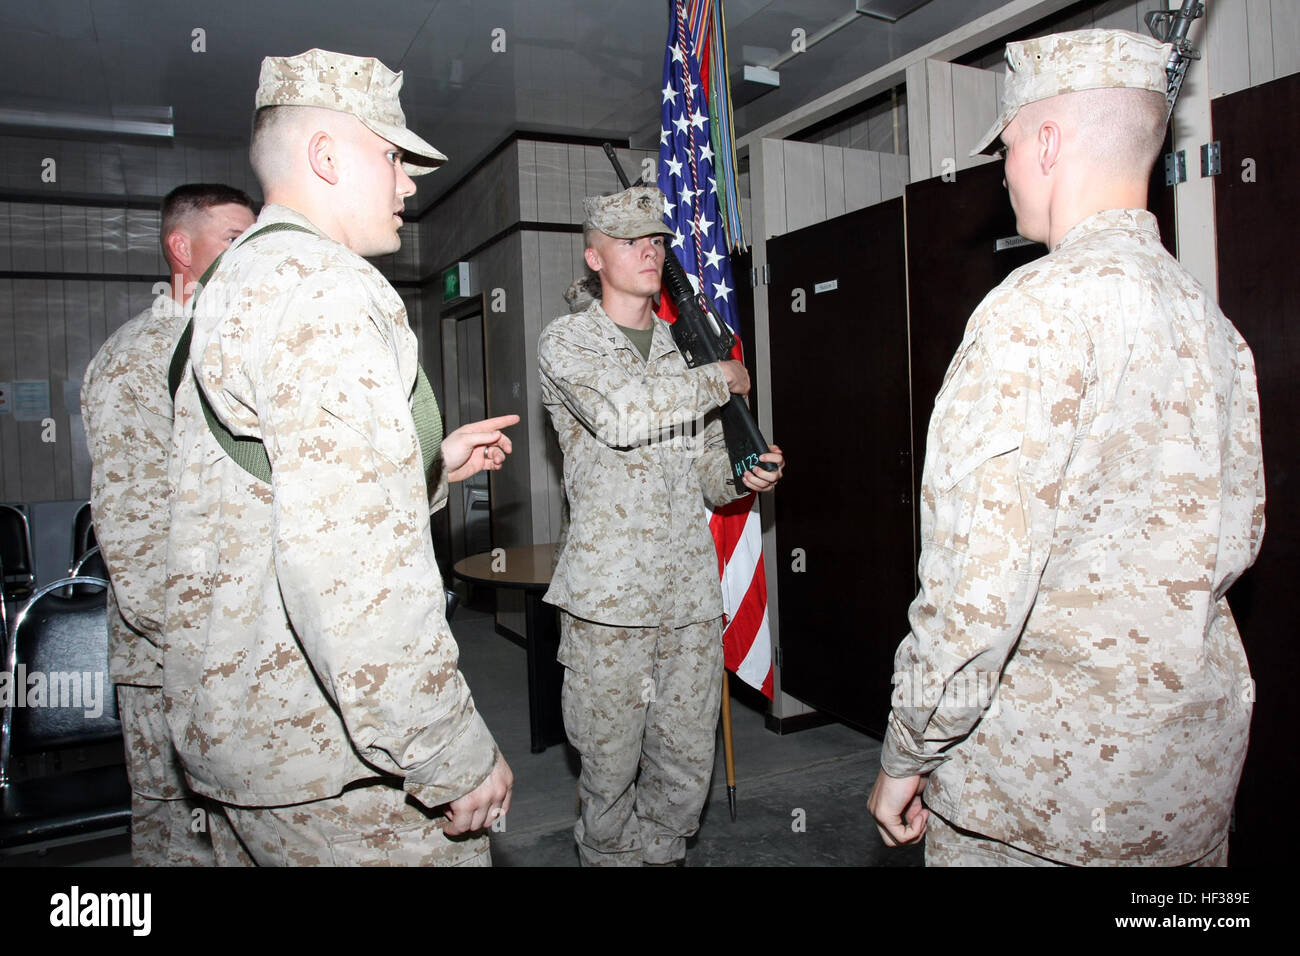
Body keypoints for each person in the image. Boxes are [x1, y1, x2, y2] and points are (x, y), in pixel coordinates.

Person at [867, 29, 1265, 866]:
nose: (1003, 170)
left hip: (1039, 803)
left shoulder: (1031, 314)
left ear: (1046, 141)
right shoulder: (1212, 323)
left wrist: (910, 750)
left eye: (1007, 145)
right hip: (1182, 786)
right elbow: (1233, 546)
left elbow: (976, 594)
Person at [163, 49, 515, 866]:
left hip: (250, 744)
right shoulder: (326, 287)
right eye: (392, 156)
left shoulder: (238, 281)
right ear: (326, 155)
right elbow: (353, 569)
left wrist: (426, 469)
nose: (409, 183)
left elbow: (272, 495)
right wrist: (446, 752)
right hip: (339, 771)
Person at [538, 186, 784, 865]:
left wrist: (744, 474)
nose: (649, 251)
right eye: (629, 241)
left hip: (688, 599)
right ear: (595, 258)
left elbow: (710, 471)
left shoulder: (687, 349)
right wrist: (719, 379)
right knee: (610, 772)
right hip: (608, 603)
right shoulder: (569, 341)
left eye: (657, 241)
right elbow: (620, 415)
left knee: (682, 770)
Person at [82, 183, 256, 866]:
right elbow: (137, 541)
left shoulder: (236, 352)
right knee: (181, 835)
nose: (252, 260)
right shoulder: (136, 364)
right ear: (182, 250)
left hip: (247, 646)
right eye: (235, 244)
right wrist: (213, 649)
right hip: (176, 657)